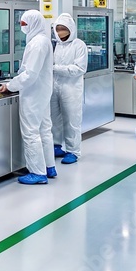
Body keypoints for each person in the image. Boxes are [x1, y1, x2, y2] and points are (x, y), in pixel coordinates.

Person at [0, 10, 56, 184]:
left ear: (34, 23)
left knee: (31, 132)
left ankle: (38, 172)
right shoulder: (42, 40)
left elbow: (30, 74)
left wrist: (10, 86)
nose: (22, 27)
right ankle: (49, 166)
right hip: (42, 91)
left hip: (33, 93)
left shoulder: (37, 43)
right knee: (44, 130)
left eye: (25, 24)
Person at [50, 13, 87, 165]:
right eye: (58, 29)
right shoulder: (55, 45)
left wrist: (55, 68)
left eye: (63, 28)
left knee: (72, 120)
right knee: (54, 119)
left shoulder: (79, 45)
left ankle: (73, 151)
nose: (60, 32)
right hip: (54, 86)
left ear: (71, 29)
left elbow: (79, 68)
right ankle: (56, 145)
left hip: (71, 88)